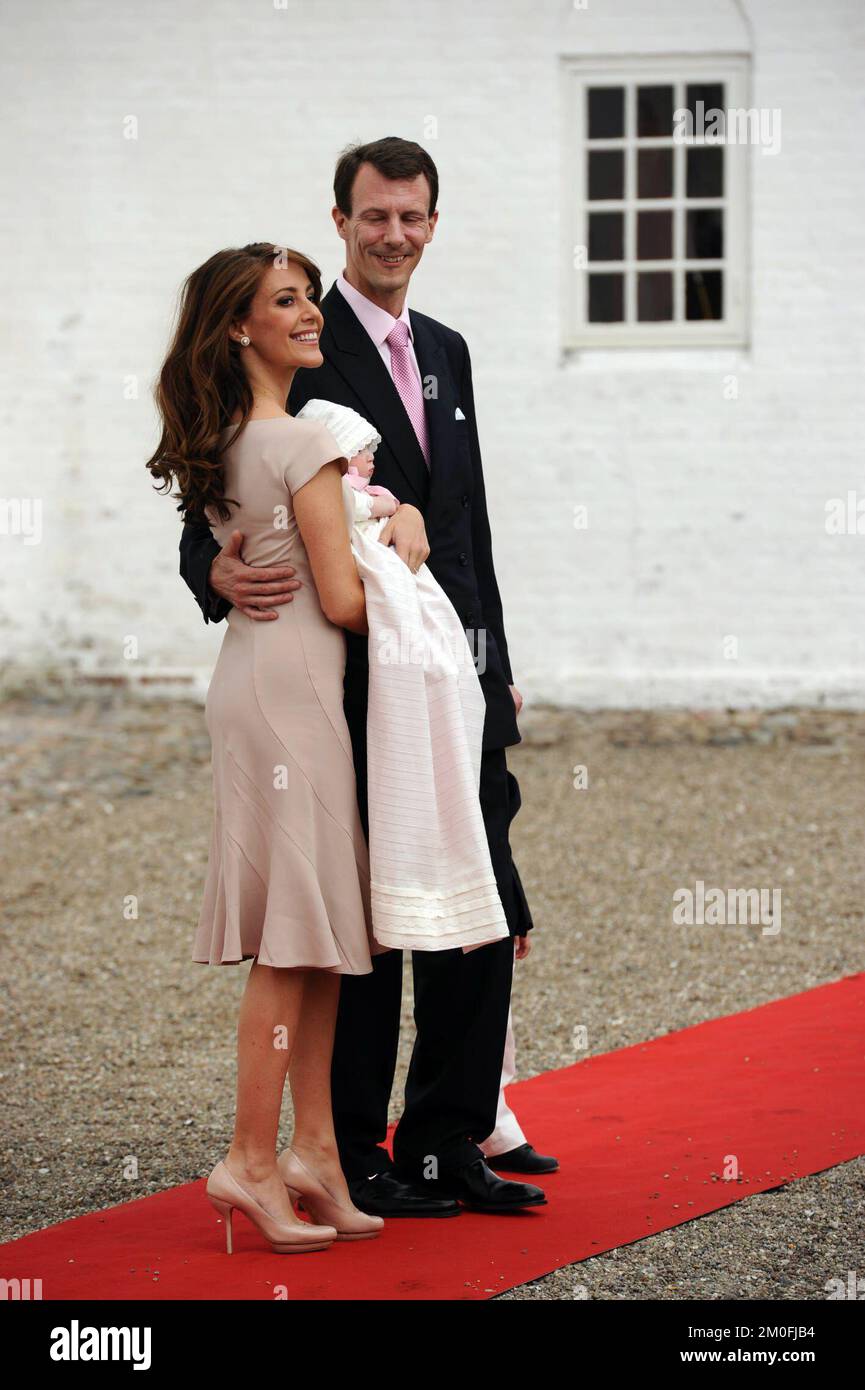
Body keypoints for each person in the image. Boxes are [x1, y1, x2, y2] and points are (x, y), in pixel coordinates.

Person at [179, 137, 545, 1215]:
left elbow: (467, 521)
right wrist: (213, 570)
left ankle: (449, 1138)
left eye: (412, 217)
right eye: (374, 215)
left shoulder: (449, 348)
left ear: (433, 225)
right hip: (342, 687)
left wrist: (498, 666)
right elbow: (212, 499)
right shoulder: (290, 334)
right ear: (340, 220)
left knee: (480, 911)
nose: (394, 234)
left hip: (451, 672)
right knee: (365, 928)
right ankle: (351, 1148)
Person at [146, 242, 384, 1253]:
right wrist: (400, 548)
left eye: (311, 297)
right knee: (293, 946)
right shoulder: (297, 444)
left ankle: (317, 1152)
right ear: (238, 327)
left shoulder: (237, 438)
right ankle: (249, 1158)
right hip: (291, 694)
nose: (310, 312)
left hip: (261, 683)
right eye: (285, 301)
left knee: (315, 936)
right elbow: (342, 598)